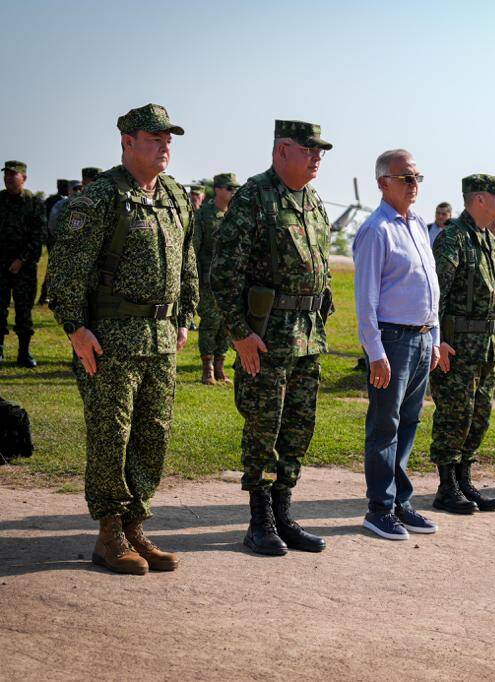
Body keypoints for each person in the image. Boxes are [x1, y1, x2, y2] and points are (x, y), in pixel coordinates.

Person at [47, 103, 198, 576]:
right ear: (127, 141)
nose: (164, 145)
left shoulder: (174, 194)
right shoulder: (98, 199)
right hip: (109, 340)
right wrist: (76, 329)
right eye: (154, 138)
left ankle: (135, 525)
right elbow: (65, 274)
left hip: (159, 339)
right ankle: (109, 532)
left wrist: (186, 316)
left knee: (152, 434)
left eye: (168, 138)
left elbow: (187, 261)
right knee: (112, 435)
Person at [210, 120, 334, 557]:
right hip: (266, 339)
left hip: (307, 338)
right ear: (282, 149)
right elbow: (223, 276)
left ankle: (283, 514)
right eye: (309, 150)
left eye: (320, 152)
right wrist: (240, 334)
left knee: (298, 429)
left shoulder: (313, 200)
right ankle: (259, 520)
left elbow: (318, 263)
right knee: (264, 428)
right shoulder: (253, 198)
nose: (317, 158)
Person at [353, 148, 440, 540]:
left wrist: (434, 338)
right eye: (406, 178)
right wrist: (375, 353)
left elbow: (429, 289)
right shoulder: (376, 230)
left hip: (421, 339)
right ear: (382, 183)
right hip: (392, 340)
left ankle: (401, 502)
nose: (414, 184)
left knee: (409, 423)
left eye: (417, 177)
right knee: (384, 426)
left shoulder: (418, 225)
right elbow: (365, 300)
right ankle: (379, 508)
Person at [428, 174, 495, 515]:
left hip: (487, 349)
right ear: (479, 200)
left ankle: (464, 480)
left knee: (479, 416)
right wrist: (439, 341)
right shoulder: (453, 240)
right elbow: (435, 296)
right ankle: (446, 486)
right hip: (458, 348)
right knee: (455, 416)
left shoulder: (489, 241)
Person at [193, 172, 240, 385]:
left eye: (235, 189)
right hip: (209, 281)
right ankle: (207, 368)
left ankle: (221, 367)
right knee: (210, 322)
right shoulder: (203, 215)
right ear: (218, 189)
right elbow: (194, 249)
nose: (233, 192)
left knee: (226, 324)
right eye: (230, 188)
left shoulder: (237, 215)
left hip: (231, 282)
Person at [0, 160, 45, 367]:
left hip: (24, 268)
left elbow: (38, 236)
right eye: (6, 174)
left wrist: (22, 260)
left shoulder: (34, 203)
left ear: (24, 178)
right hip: (0, 265)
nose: (9, 178)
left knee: (24, 310)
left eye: (13, 174)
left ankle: (24, 353)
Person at [42, 167, 103, 305]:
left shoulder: (106, 202)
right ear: (84, 182)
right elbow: (53, 225)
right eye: (91, 181)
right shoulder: (71, 203)